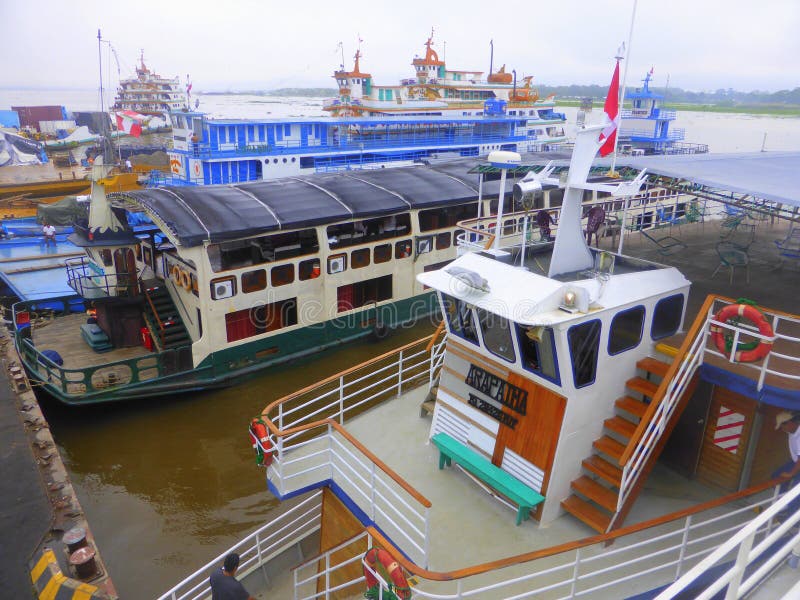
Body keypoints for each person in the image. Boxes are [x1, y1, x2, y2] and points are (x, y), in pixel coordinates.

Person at [773, 411, 800, 519]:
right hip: (795, 461)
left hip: (798, 462)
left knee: (795, 492)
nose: (782, 429)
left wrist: (791, 474)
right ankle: (783, 505)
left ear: (789, 423)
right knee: (776, 476)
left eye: (782, 426)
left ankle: (792, 521)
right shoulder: (791, 431)